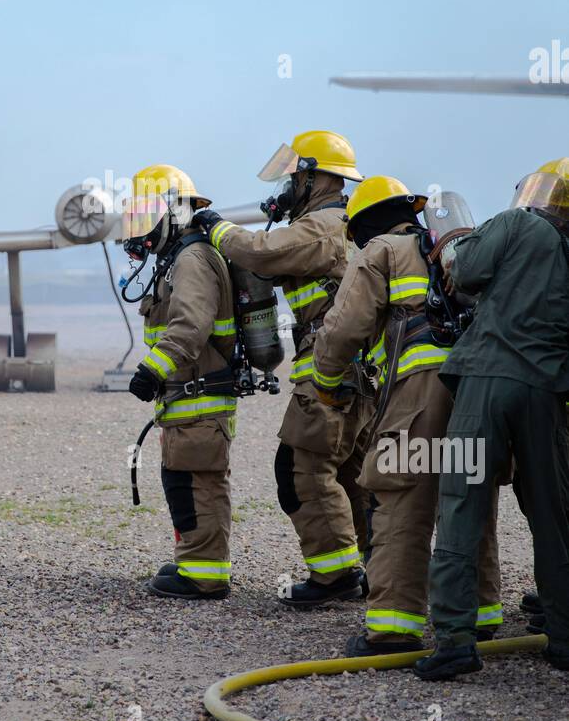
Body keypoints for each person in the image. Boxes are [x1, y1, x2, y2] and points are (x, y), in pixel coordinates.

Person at [311, 176, 502, 655]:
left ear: (362, 224)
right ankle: (479, 616)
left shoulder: (380, 252)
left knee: (401, 505)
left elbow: (341, 332)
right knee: (466, 501)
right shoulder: (449, 250)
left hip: (418, 400)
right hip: (475, 392)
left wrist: (327, 384)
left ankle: (394, 628)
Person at [194, 130, 374, 606]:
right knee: (353, 473)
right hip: (359, 372)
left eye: (294, 176)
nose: (286, 186)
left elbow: (262, 253)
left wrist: (215, 228)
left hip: (331, 368)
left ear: (315, 178)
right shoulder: (340, 223)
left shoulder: (323, 225)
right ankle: (380, 572)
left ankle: (335, 577)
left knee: (302, 468)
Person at [416, 160, 569, 681]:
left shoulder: (517, 223)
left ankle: (456, 642)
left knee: (463, 503)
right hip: (548, 392)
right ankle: (564, 639)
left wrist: (456, 241)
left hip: (487, 380)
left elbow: (466, 271)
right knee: (554, 517)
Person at [122, 165, 237, 599]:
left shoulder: (192, 260)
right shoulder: (178, 259)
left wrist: (153, 369)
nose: (137, 229)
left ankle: (206, 575)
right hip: (187, 395)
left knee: (200, 480)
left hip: (200, 395)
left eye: (144, 215)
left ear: (171, 213)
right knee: (183, 479)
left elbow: (189, 325)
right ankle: (195, 559)